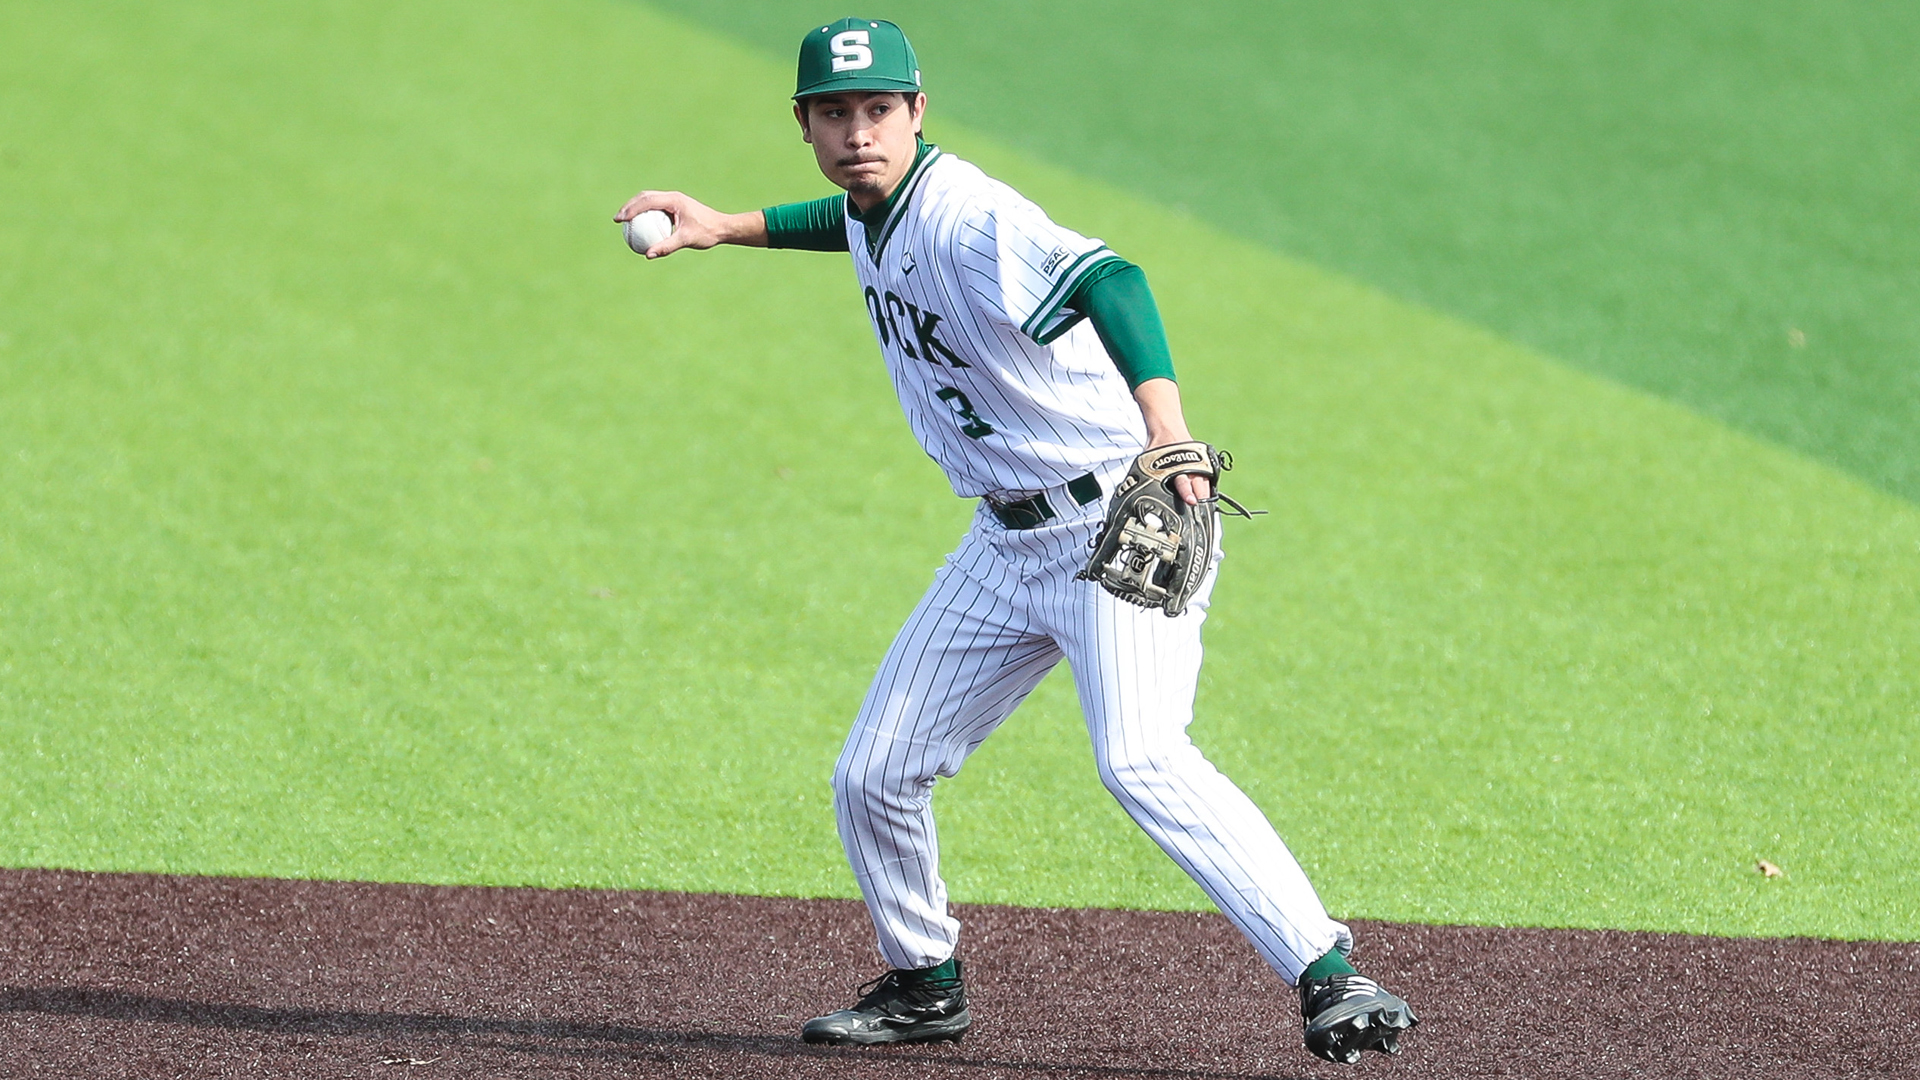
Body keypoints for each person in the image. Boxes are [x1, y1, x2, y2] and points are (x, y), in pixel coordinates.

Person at [615, 17, 1416, 1065]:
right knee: (875, 772)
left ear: (917, 113)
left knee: (1140, 756)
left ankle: (1329, 974)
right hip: (1003, 546)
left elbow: (1111, 279)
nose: (859, 133)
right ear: (807, 125)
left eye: (877, 111)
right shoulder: (879, 201)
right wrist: (726, 225)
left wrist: (1168, 429)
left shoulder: (967, 215)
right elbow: (852, 223)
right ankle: (923, 984)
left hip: (1111, 522)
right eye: (836, 114)